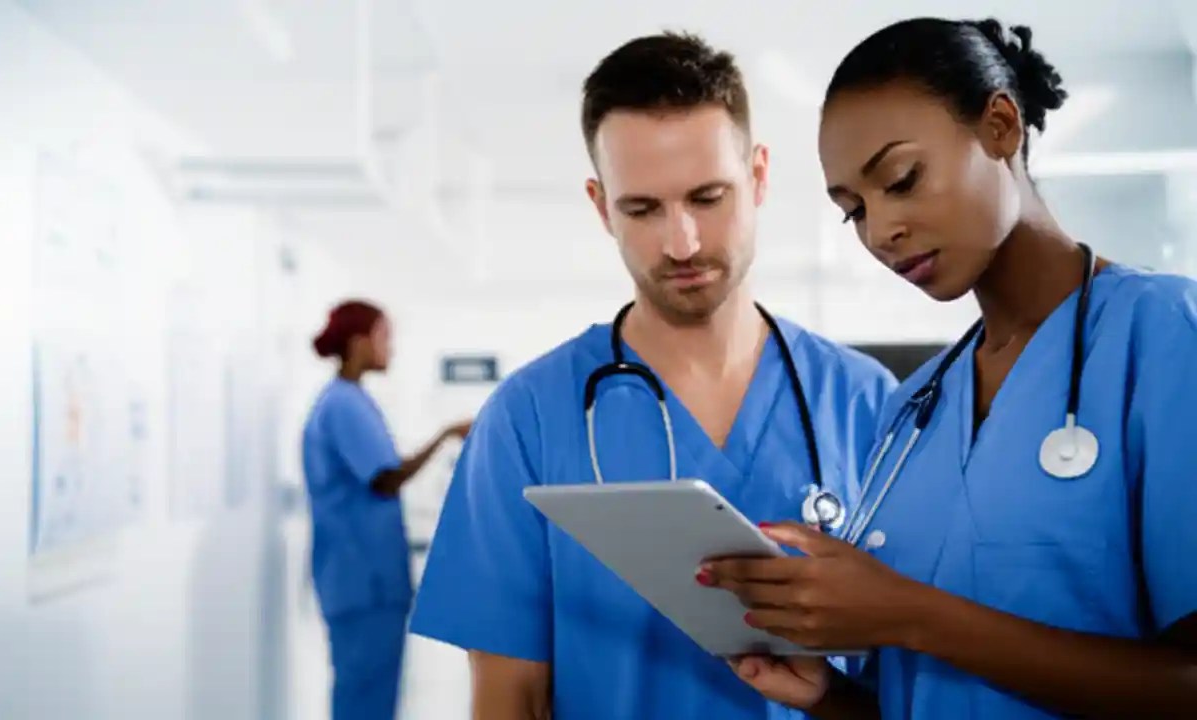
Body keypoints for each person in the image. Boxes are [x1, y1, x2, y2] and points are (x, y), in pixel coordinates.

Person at [703, 17, 1197, 720]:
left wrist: (908, 614)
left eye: (901, 179)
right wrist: (828, 695)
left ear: (1000, 125)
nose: (881, 231)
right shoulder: (913, 411)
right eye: (854, 212)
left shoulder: (1165, 337)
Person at [408, 32, 896, 719]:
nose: (682, 243)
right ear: (600, 205)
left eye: (708, 197)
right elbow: (509, 696)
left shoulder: (869, 404)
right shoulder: (529, 420)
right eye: (643, 209)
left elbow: (915, 677)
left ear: (758, 177)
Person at [301, 299, 472, 720]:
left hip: (363, 580)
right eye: (384, 338)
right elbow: (384, 477)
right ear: (359, 342)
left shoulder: (348, 400)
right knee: (365, 699)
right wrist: (445, 435)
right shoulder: (343, 404)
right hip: (362, 582)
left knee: (370, 695)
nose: (389, 349)